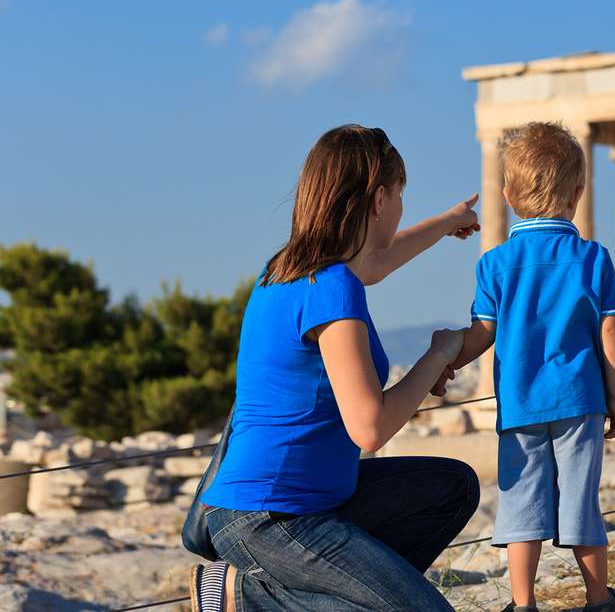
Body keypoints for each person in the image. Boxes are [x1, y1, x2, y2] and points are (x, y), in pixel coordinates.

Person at [189, 124, 483, 612]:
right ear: (379, 199)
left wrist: (448, 222)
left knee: (452, 487)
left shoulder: (290, 269)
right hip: (270, 515)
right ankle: (243, 597)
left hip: (311, 501)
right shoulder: (332, 288)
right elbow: (370, 428)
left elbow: (379, 261)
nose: (401, 207)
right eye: (400, 195)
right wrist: (437, 355)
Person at [433, 122, 615, 612]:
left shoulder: (493, 264)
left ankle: (523, 603)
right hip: (580, 401)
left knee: (521, 502)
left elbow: (482, 333)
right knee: (581, 500)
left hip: (520, 404)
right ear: (578, 194)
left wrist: (447, 362)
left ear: (506, 196)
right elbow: (612, 329)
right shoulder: (593, 258)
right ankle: (599, 599)